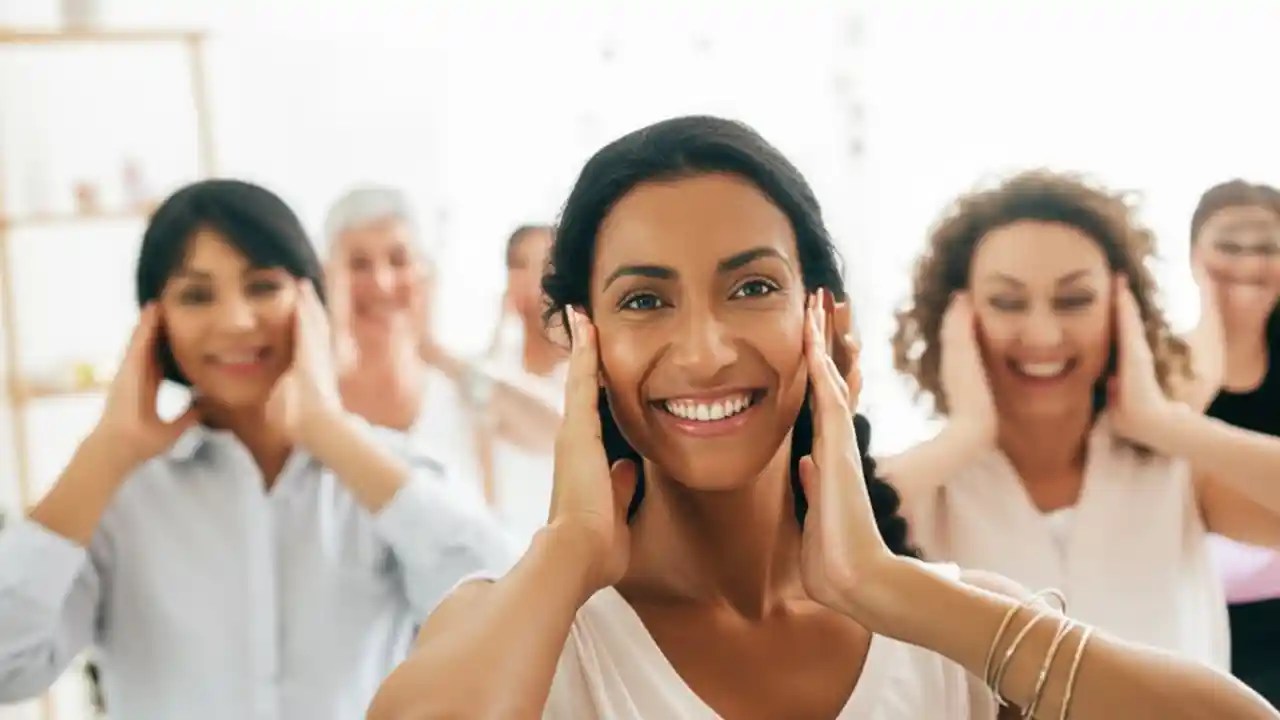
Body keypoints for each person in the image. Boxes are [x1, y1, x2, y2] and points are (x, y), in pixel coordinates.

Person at [367, 116, 1277, 719]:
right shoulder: (517, 634)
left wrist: (882, 588)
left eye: (752, 288)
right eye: (645, 301)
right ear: (581, 340)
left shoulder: (950, 633)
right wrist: (569, 548)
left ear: (829, 323)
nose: (705, 350)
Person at [0, 180, 514, 720]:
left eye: (263, 286)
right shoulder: (113, 497)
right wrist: (105, 450)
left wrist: (328, 430)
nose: (237, 321)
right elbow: (9, 666)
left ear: (312, 303)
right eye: (197, 296)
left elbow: (510, 623)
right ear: (154, 320)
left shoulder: (389, 477)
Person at [882, 171, 1280, 672]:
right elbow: (811, 535)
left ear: (1121, 309)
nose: (1043, 334)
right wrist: (964, 436)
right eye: (1007, 302)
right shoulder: (928, 489)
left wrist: (1161, 423)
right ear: (957, 316)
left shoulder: (1177, 472)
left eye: (1074, 300)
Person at [323, 186, 490, 507]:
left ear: (425, 274)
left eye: (398, 260)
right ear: (328, 278)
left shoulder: (462, 399)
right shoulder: (309, 400)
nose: (382, 283)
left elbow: (555, 426)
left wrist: (434, 350)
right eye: (359, 264)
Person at [1181, 179, 1280, 705]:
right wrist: (1213, 328)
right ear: (1195, 255)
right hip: (1196, 607)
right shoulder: (1166, 366)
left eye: (1266, 248)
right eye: (1229, 247)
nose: (1248, 263)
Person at [473, 224, 569, 544]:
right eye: (518, 265)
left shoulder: (586, 372)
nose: (532, 280)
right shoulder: (496, 365)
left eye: (545, 266)